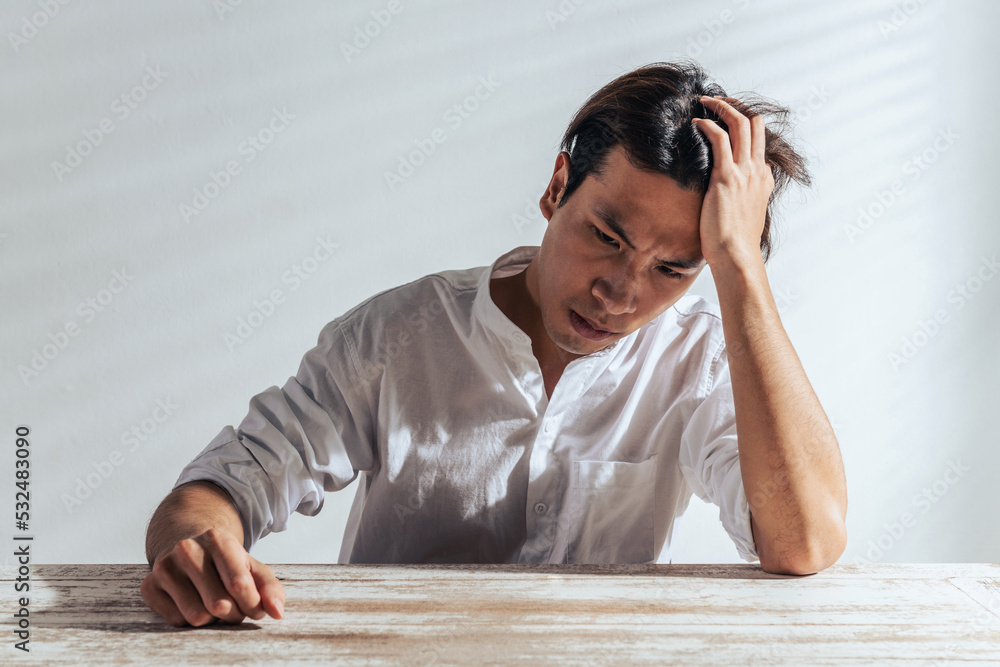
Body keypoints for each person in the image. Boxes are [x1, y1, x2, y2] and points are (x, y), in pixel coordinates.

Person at [141, 60, 848, 627]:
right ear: (557, 188)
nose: (620, 293)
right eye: (607, 237)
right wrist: (197, 551)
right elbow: (222, 487)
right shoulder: (397, 334)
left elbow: (805, 541)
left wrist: (740, 265)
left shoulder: (700, 364)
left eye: (672, 269)